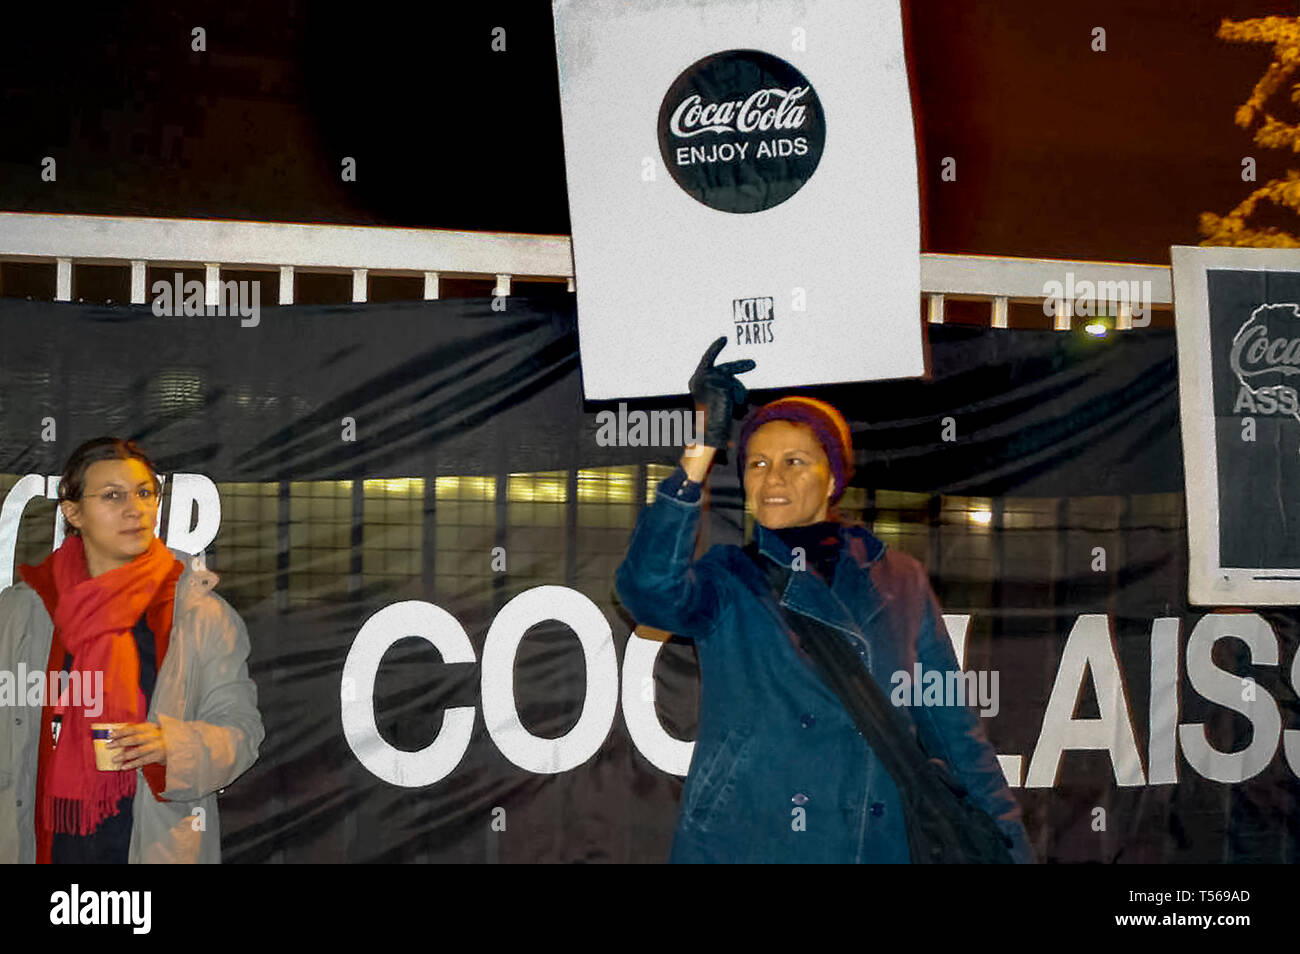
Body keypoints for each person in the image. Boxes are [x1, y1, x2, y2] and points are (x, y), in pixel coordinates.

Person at [615, 338, 1035, 863]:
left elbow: (956, 732)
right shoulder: (729, 578)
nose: (772, 477)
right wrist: (703, 444)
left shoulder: (901, 580)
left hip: (872, 843)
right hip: (748, 840)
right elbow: (648, 591)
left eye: (795, 461)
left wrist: (1012, 848)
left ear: (833, 477)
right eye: (757, 463)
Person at [0, 437, 263, 863]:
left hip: (149, 847)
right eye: (112, 496)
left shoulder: (199, 615)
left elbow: (242, 733)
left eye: (145, 493)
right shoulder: (21, 612)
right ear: (73, 511)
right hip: (39, 848)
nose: (135, 509)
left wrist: (170, 746)